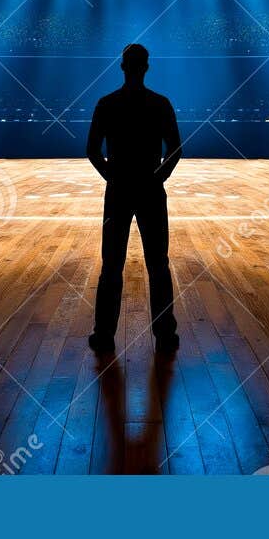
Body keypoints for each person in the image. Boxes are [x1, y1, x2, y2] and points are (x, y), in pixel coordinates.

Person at [85, 43, 182, 355]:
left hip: (118, 192)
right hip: (151, 190)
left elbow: (91, 150)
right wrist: (159, 177)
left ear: (122, 66)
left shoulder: (106, 103)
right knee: (158, 264)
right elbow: (176, 149)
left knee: (111, 265)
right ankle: (165, 335)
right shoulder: (160, 103)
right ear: (146, 67)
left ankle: (104, 335)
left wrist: (111, 176)